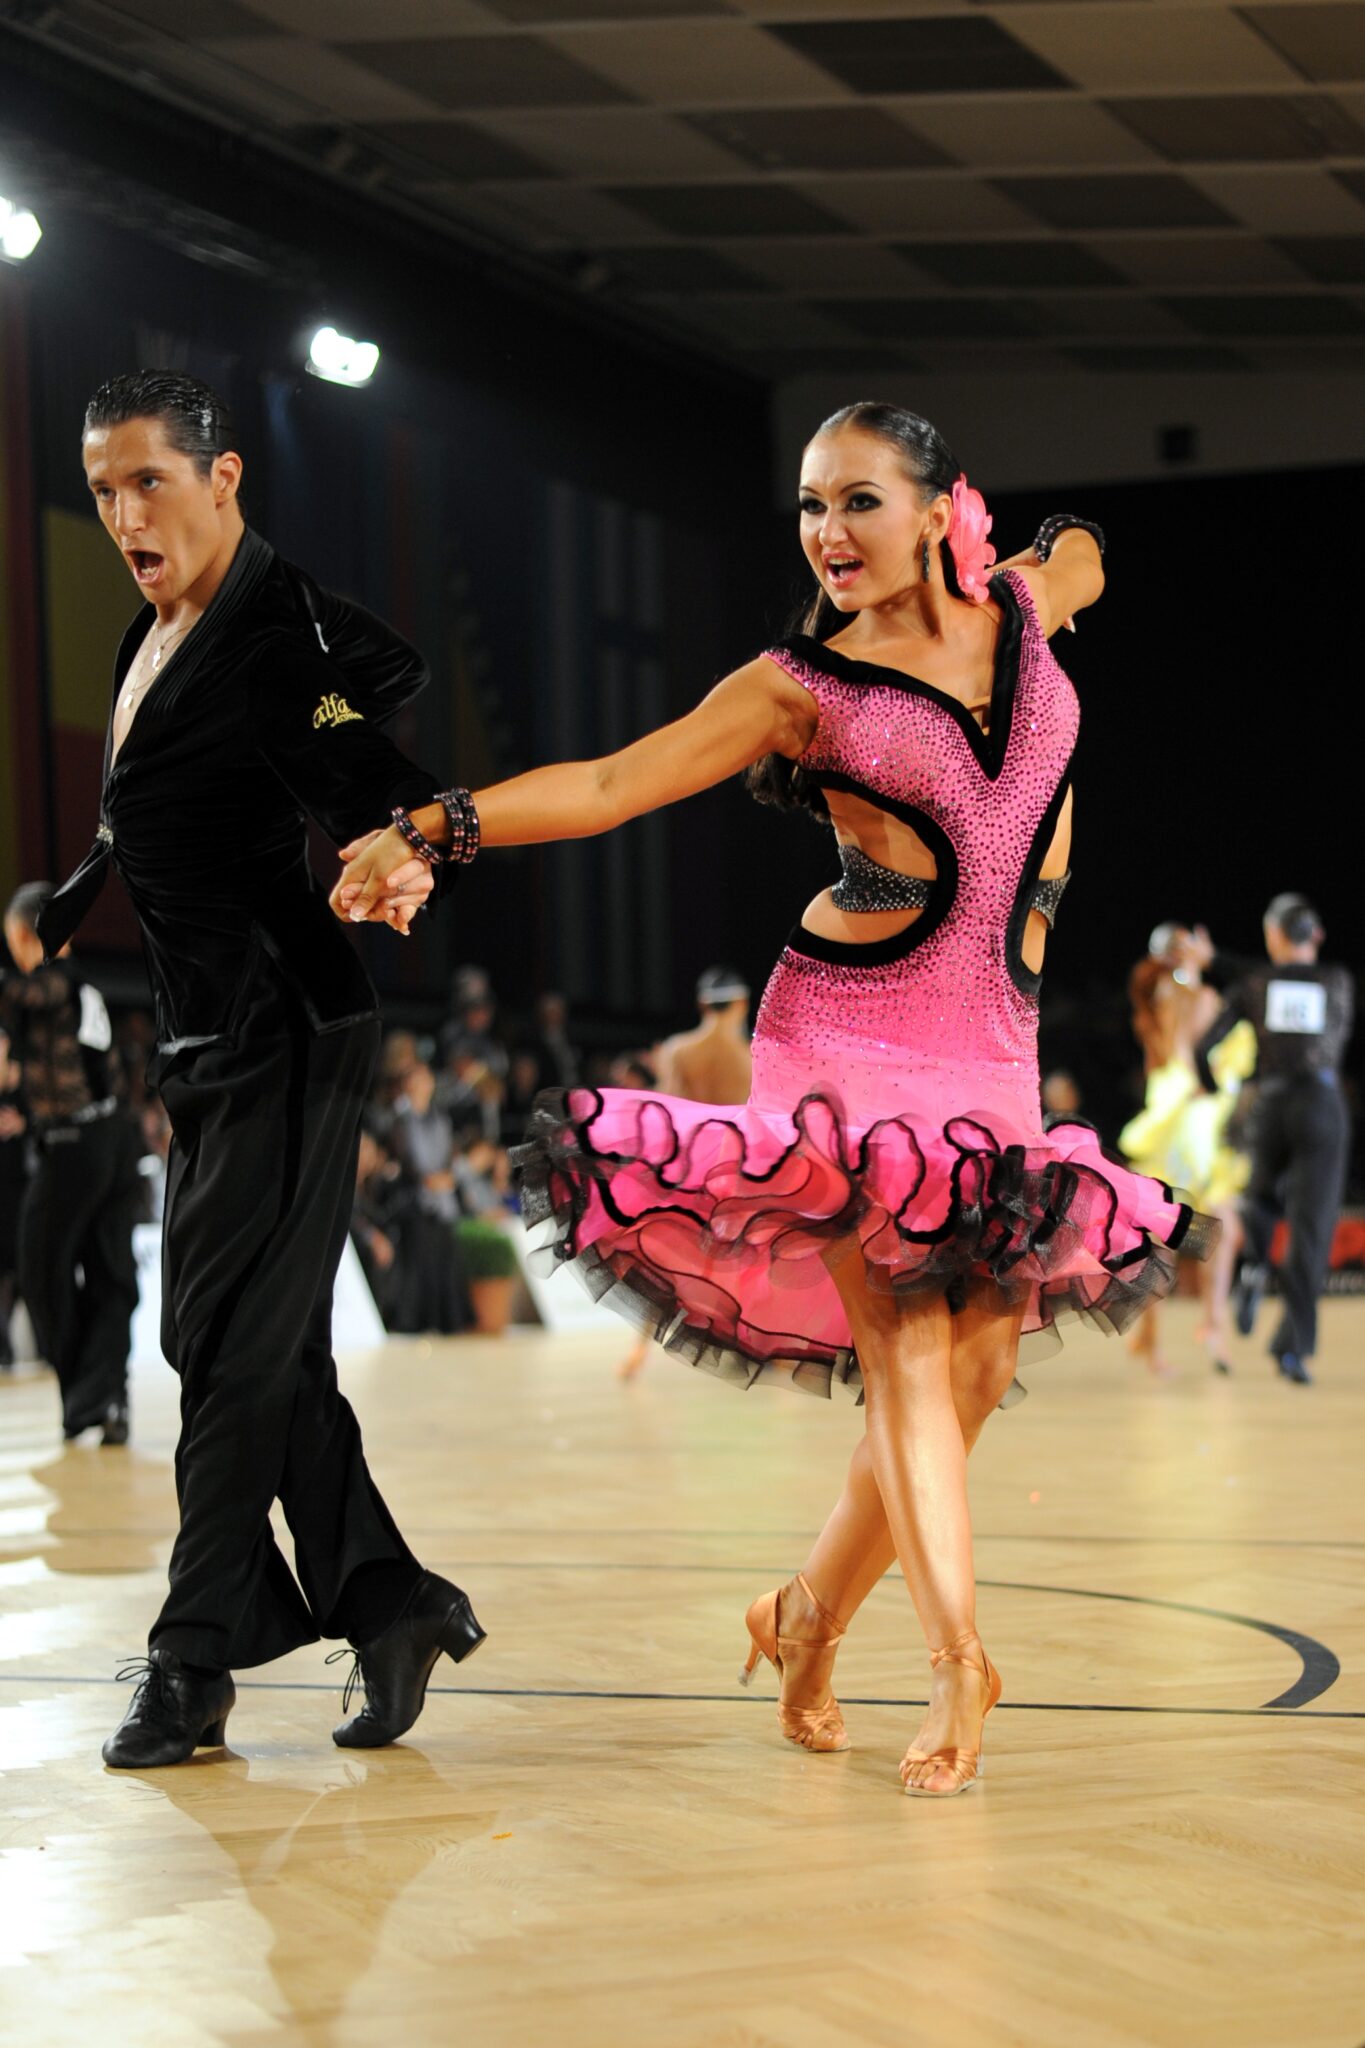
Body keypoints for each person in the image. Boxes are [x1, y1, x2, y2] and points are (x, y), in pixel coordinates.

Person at [335, 400, 1216, 1799]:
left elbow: (1084, 556)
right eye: (810, 504)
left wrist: (1047, 556)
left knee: (974, 1377)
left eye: (859, 499)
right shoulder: (805, 686)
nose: (827, 531)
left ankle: (801, 1616)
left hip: (992, 1053)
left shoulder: (1022, 613)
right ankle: (959, 1663)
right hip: (845, 1044)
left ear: (938, 506)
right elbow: (613, 783)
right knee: (908, 1351)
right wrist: (432, 826)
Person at [40, 371, 482, 1769]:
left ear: (224, 478)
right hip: (208, 1038)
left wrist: (399, 853)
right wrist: (74, 895)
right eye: (102, 489)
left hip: (289, 1029)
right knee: (239, 1346)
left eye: (149, 481)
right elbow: (169, 792)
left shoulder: (271, 641)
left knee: (227, 1355)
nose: (124, 513)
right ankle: (388, 1599)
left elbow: (363, 779)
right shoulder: (167, 624)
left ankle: (193, 1662)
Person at [1192, 897, 1354, 1385]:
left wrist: (1214, 1088)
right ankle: (1292, 1349)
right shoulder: (1337, 981)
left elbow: (1204, 1047)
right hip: (1321, 1107)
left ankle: (1254, 1265)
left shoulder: (1255, 984)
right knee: (1311, 1227)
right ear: (1316, 936)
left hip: (1269, 1106)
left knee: (1257, 1202)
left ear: (1273, 936)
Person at [1, 882, 141, 1440]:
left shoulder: (50, 983)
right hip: (113, 1139)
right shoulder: (81, 987)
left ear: (27, 934)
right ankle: (108, 1397)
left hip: (77, 1145)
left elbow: (25, 1002)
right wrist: (26, 1114)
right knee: (109, 1271)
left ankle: (90, 1393)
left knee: (41, 1265)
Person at [1119, 923, 1255, 1376]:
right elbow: (1202, 1054)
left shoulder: (1155, 1000)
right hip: (1187, 1130)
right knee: (1201, 1232)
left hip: (1183, 1126)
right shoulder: (1186, 995)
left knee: (1180, 1236)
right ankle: (1202, 1326)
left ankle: (1168, 1334)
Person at [618, 966, 755, 1380]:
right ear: (741, 1004)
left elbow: (668, 1112)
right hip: (736, 1172)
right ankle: (775, 1356)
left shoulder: (678, 1049)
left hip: (689, 1168)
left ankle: (639, 1347)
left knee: (662, 1264)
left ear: (702, 1004)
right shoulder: (750, 1055)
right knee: (758, 1262)